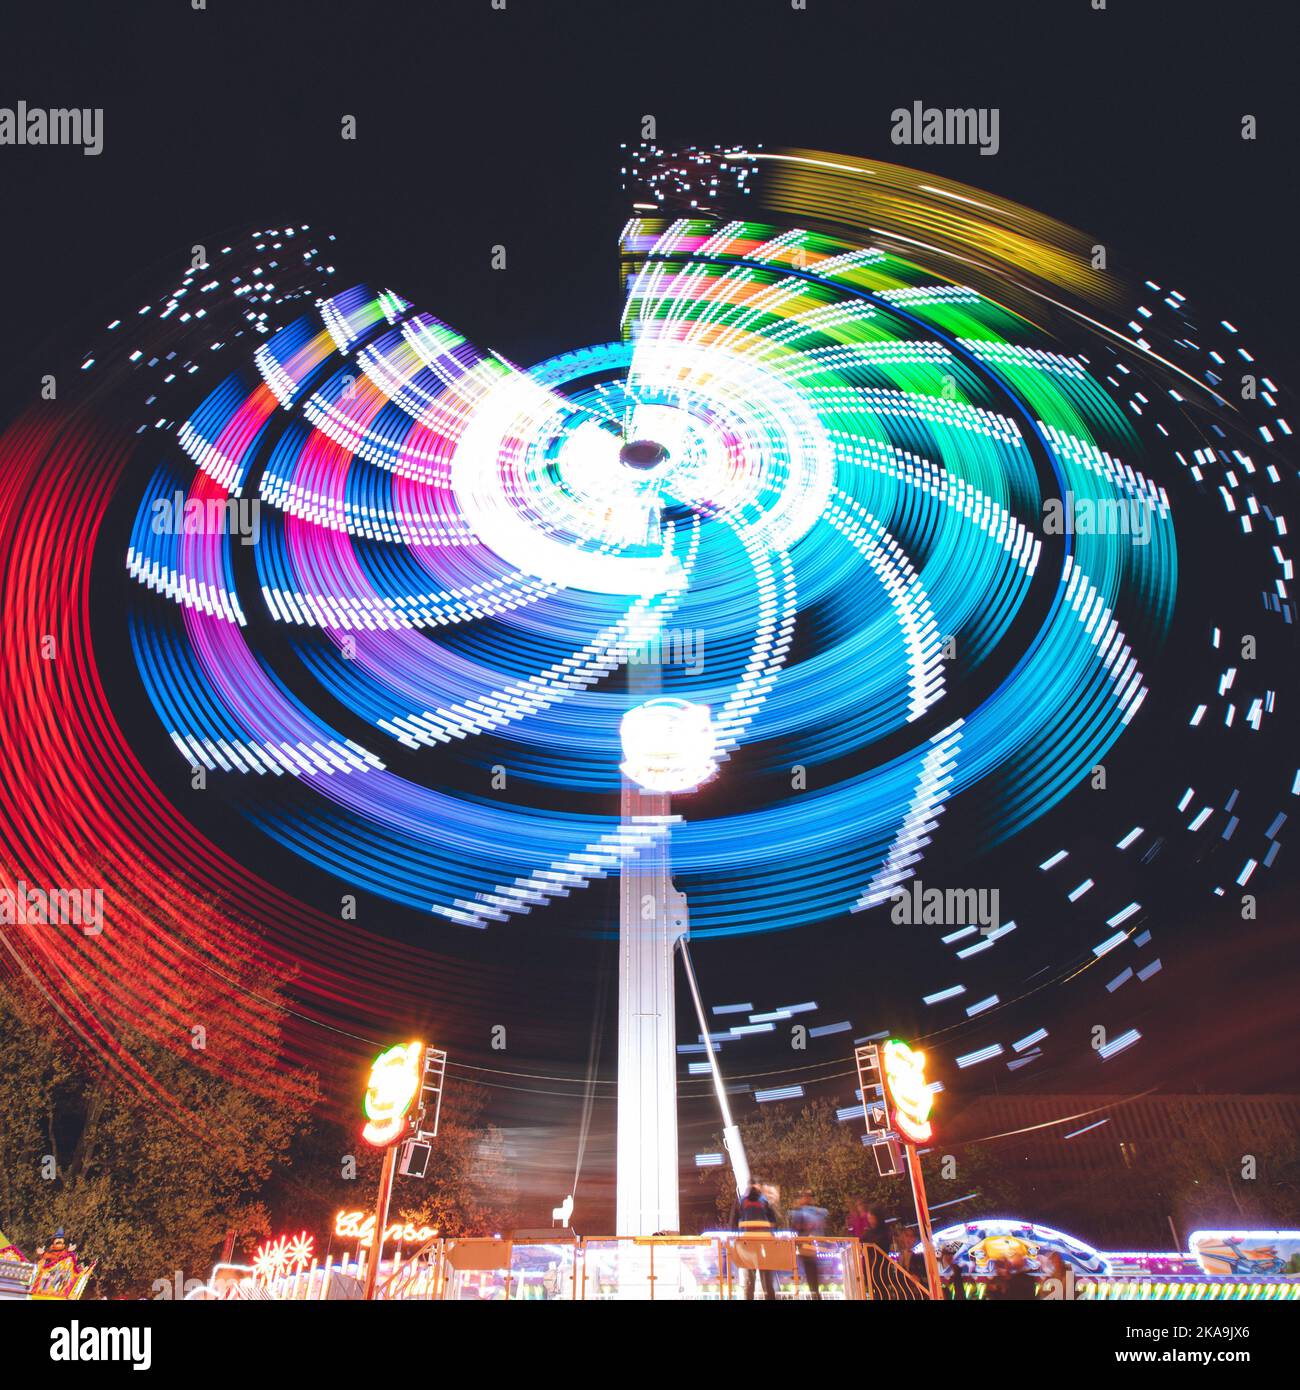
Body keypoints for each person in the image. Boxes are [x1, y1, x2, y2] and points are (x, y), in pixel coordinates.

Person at [731, 1182, 779, 1300]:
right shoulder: (764, 1201)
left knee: (750, 1281)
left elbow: (733, 1220)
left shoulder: (742, 1201)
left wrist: (736, 1237)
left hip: (749, 1245)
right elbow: (774, 1221)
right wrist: (773, 1236)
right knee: (767, 1281)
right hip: (765, 1246)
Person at [787, 1190, 828, 1300]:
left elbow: (795, 1227)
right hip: (814, 1246)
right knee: (813, 1274)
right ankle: (815, 1294)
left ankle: (815, 1295)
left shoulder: (802, 1213)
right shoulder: (816, 1212)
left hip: (807, 1247)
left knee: (811, 1274)